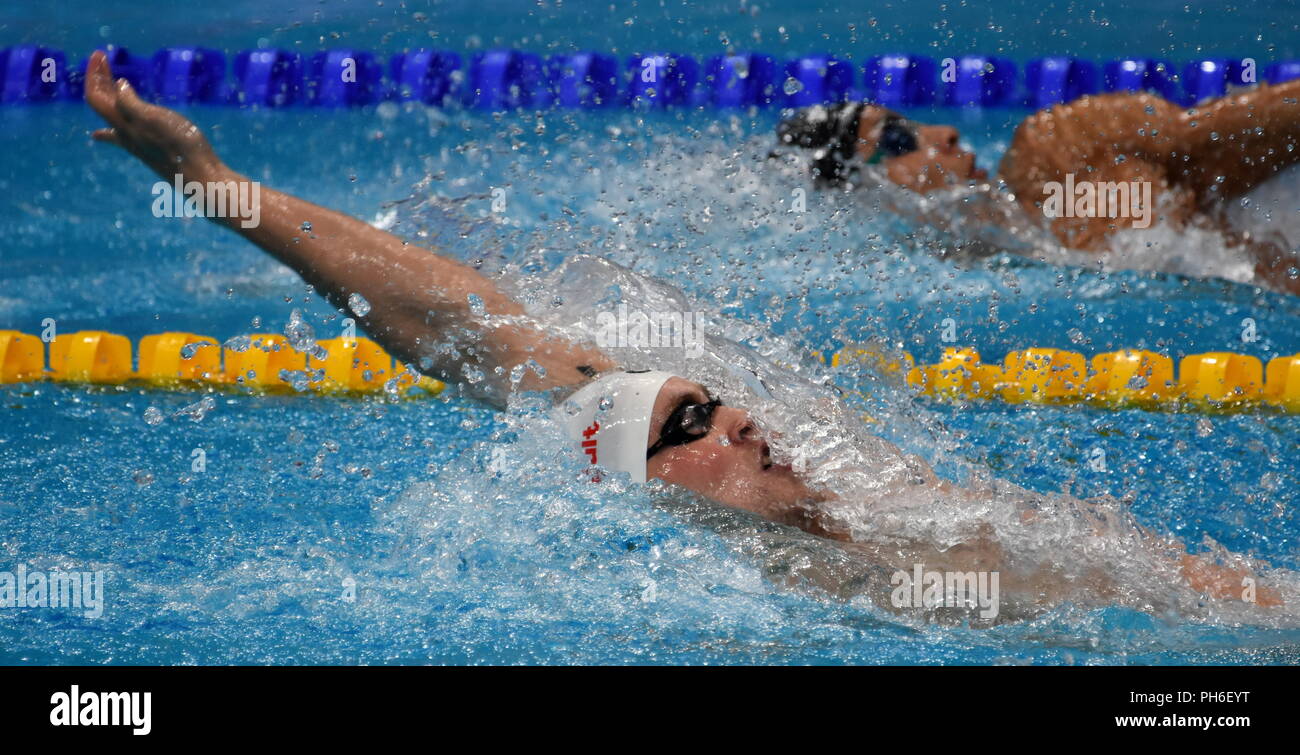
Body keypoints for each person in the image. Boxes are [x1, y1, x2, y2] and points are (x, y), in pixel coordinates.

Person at [83, 50, 1285, 616]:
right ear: (641, 487)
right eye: (689, 425)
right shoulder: (782, 587)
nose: (737, 412)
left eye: (705, 398)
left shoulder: (874, 490)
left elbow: (452, 315)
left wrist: (219, 185)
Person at [776, 82, 1300, 294]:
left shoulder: (1057, 153)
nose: (942, 132)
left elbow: (1208, 138)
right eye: (896, 139)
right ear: (860, 189)